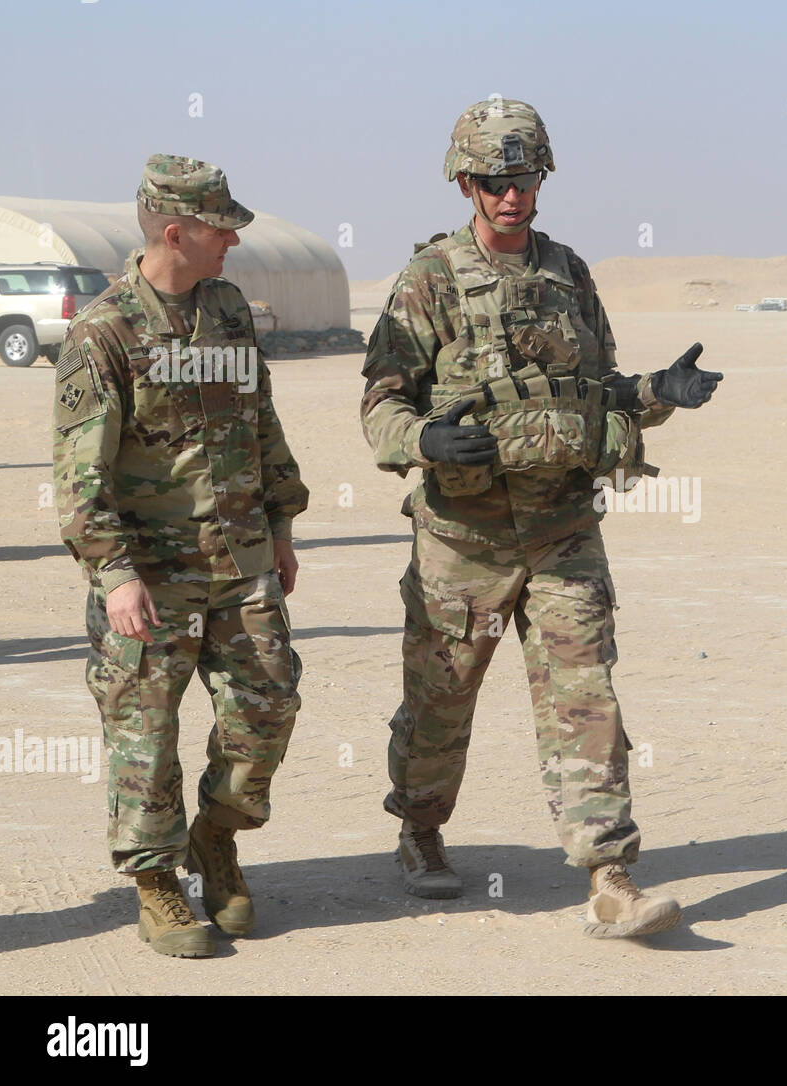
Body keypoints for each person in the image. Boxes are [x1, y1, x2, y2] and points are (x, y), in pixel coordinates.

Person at [360, 98, 722, 938]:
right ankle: (419, 828)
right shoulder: (429, 282)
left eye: (524, 178)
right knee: (441, 700)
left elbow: (597, 393)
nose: (511, 195)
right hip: (463, 542)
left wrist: (656, 396)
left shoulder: (568, 273)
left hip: (563, 531)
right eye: (494, 180)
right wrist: (425, 440)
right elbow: (380, 408)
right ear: (465, 182)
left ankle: (609, 873)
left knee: (585, 693)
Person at [52, 154, 308, 958]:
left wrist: (283, 525)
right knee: (145, 733)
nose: (232, 240)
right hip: (150, 580)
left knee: (267, 711)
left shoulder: (228, 312)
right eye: (219, 227)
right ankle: (156, 879)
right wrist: (115, 573)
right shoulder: (106, 333)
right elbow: (79, 473)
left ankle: (217, 836)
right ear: (176, 231)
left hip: (241, 562)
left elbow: (260, 422)